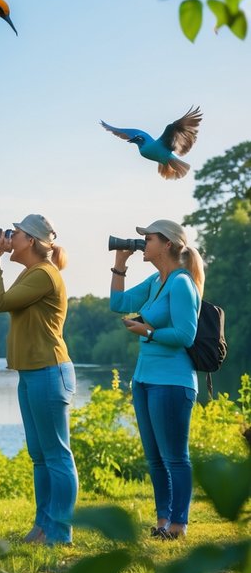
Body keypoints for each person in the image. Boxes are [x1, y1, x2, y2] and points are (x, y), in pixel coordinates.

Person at [109, 219, 204, 540]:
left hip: (173, 382)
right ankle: (162, 521)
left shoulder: (182, 283)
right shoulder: (155, 281)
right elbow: (117, 304)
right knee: (154, 457)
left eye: (147, 239)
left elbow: (185, 335)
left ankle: (179, 524)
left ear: (167, 245)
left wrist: (147, 331)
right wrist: (119, 265)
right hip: (144, 380)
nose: (142, 245)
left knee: (175, 457)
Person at [0, 213, 77, 546]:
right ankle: (42, 527)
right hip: (32, 373)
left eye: (16, 233)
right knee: (40, 456)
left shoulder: (43, 274)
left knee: (56, 455)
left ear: (32, 242)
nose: (9, 237)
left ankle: (60, 532)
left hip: (49, 372)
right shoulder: (31, 272)